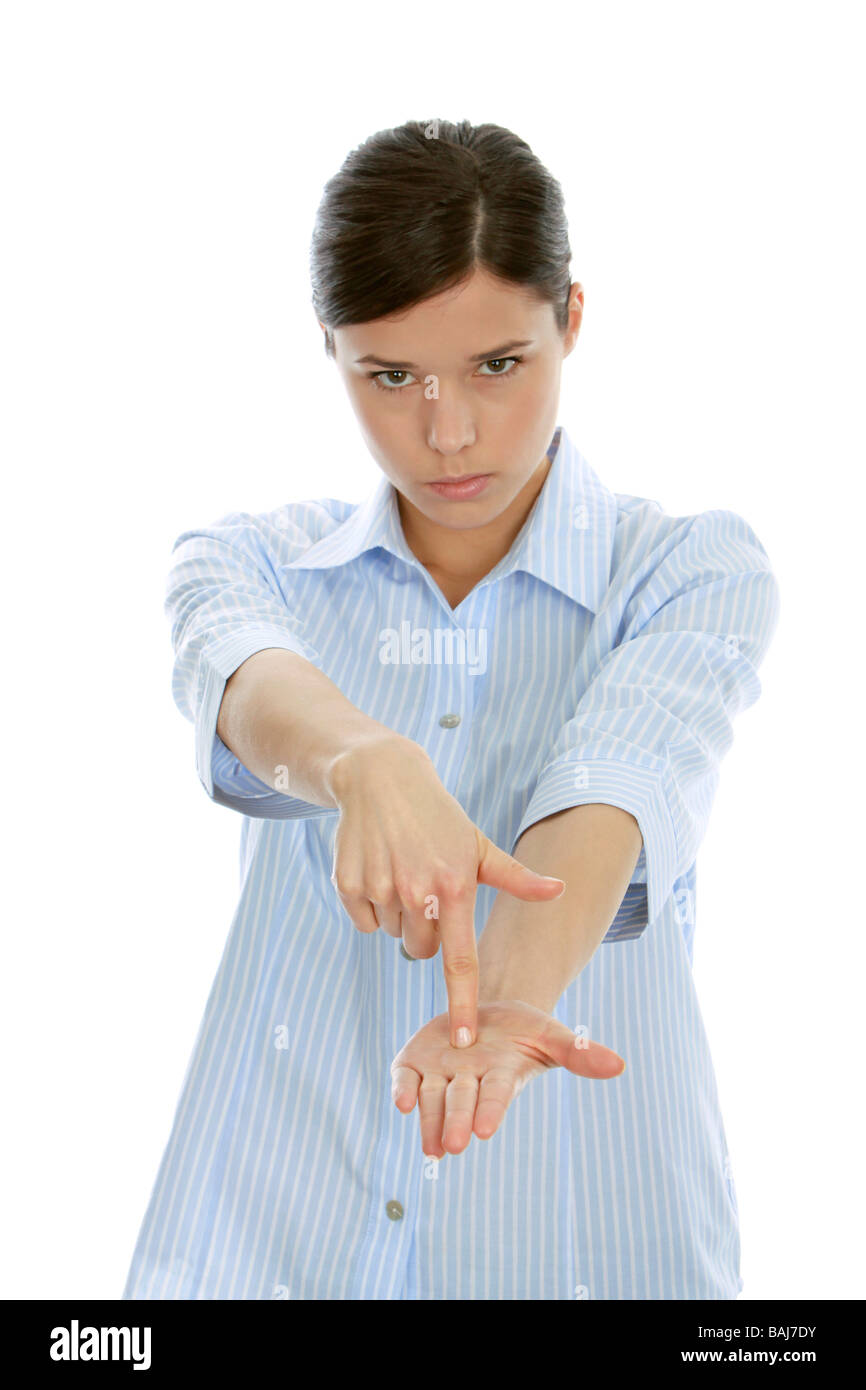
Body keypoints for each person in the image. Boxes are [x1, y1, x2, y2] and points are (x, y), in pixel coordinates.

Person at [122, 119, 780, 1301]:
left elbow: (607, 791)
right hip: (253, 1254)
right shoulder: (252, 561)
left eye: (496, 363)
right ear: (329, 348)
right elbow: (241, 675)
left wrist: (512, 1002)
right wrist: (362, 761)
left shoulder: (684, 572)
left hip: (578, 1261)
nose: (448, 431)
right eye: (390, 376)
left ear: (569, 321)